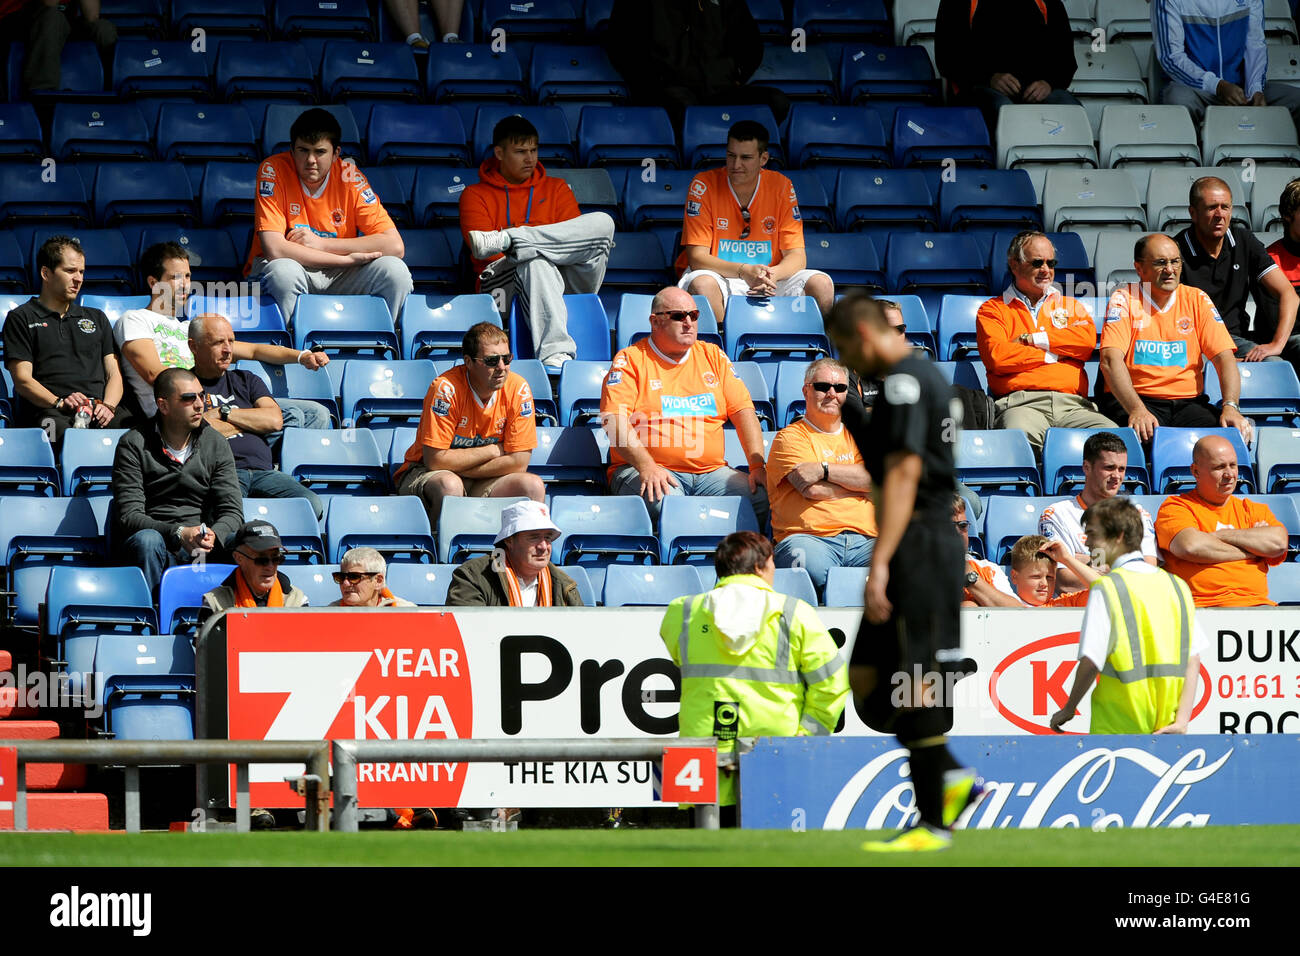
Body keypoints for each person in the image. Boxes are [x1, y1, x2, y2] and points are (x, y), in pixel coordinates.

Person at [824, 294, 984, 852]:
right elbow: (891, 456)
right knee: (871, 677)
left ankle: (935, 820)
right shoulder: (922, 380)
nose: (851, 364)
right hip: (926, 539)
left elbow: (904, 473)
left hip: (919, 539)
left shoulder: (902, 381)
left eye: (848, 350)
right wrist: (855, 419)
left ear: (864, 336)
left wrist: (882, 561)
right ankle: (949, 773)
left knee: (912, 679)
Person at [658, 530, 848, 818]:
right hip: (775, 750)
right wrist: (807, 736)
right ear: (761, 566)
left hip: (695, 754)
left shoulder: (682, 611)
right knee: (770, 855)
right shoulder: (795, 613)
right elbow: (833, 681)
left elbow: (679, 657)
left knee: (697, 855)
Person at [600, 286, 769, 525]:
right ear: (655, 322)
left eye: (694, 315)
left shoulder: (713, 355)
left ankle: (741, 560)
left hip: (711, 473)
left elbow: (744, 412)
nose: (688, 322)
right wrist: (646, 465)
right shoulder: (631, 359)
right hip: (643, 468)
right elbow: (613, 422)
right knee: (671, 505)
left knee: (760, 498)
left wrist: (756, 465)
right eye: (678, 316)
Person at [118, 241, 332, 428]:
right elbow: (155, 375)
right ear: (154, 282)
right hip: (179, 412)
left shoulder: (188, 328)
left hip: (217, 400)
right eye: (176, 277)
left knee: (316, 413)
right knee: (290, 416)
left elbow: (254, 349)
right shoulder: (135, 319)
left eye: (188, 276)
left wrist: (301, 356)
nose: (185, 284)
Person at [460, 115, 615, 369]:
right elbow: (486, 257)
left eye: (533, 150)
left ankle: (510, 239)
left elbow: (576, 245)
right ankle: (555, 354)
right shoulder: (474, 195)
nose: (530, 158)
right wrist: (542, 249)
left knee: (604, 223)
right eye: (520, 151)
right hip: (501, 284)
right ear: (499, 153)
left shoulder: (557, 188)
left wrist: (514, 239)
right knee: (536, 262)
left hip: (564, 279)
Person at [1050, 496, 1207, 734]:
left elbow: (1092, 660)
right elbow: (1193, 659)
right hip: (1167, 728)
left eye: (1092, 534)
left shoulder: (1108, 587)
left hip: (1116, 729)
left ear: (1119, 537)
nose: (1087, 543)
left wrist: (1069, 708)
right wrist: (1182, 721)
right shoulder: (1177, 586)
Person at [246, 107, 413, 326]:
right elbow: (275, 249)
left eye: (320, 151)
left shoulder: (350, 176)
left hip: (341, 273)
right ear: (291, 150)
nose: (311, 160)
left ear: (336, 153)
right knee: (283, 271)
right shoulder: (273, 169)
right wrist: (345, 258)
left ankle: (377, 346)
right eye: (303, 150)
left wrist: (322, 244)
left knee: (394, 270)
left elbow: (394, 245)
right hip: (292, 269)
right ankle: (286, 351)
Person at [676, 119, 834, 325]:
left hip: (769, 278)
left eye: (746, 158)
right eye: (731, 155)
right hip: (720, 277)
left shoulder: (782, 186)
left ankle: (822, 349)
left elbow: (797, 256)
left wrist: (772, 275)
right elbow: (697, 257)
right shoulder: (703, 184)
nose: (736, 165)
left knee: (821, 283)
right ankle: (722, 348)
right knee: (703, 283)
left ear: (763, 158)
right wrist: (744, 271)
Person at [1096, 233, 1251, 442]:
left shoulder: (1197, 299)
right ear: (1139, 268)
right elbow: (1109, 360)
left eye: (1175, 261)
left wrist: (1231, 406)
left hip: (1188, 403)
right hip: (1138, 400)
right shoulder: (1124, 299)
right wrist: (1137, 409)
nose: (1170, 270)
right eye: (1161, 263)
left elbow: (1224, 358)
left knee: (1226, 440)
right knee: (1141, 437)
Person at [976, 231, 1114, 452]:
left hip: (1074, 407)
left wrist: (1033, 340)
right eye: (1037, 262)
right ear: (1014, 265)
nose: (1046, 270)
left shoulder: (1071, 306)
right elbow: (998, 357)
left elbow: (1086, 344)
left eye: (1051, 263)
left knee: (1113, 442)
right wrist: (1056, 354)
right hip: (1021, 405)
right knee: (1016, 440)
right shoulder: (993, 309)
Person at [395, 321, 544, 526]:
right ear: (469, 362)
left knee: (533, 486)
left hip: (484, 478)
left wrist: (462, 467)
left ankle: (526, 552)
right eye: (492, 361)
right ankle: (444, 550)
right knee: (450, 484)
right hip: (425, 473)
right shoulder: (447, 389)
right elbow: (435, 461)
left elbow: (519, 462)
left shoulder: (518, 388)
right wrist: (493, 450)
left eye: (507, 358)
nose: (501, 368)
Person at [111, 367, 244, 594]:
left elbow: (232, 511)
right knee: (148, 541)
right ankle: (154, 617)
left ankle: (230, 617)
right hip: (156, 543)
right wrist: (179, 533)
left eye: (201, 396)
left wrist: (214, 534)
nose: (200, 404)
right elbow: (129, 516)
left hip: (200, 548)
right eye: (188, 398)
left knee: (248, 540)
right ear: (163, 406)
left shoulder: (215, 442)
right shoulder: (133, 444)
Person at [187, 314, 323, 520]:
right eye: (218, 343)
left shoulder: (247, 380)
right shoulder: (185, 384)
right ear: (194, 346)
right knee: (229, 517)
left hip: (264, 472)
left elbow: (274, 421)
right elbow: (196, 430)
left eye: (231, 341)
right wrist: (252, 423)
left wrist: (224, 413)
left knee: (311, 506)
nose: (227, 350)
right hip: (222, 473)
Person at [766, 358, 876, 598]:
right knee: (809, 568)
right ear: (806, 390)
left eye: (840, 388)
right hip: (810, 539)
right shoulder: (790, 438)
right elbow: (811, 490)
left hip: (867, 539)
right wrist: (860, 489)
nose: (831, 394)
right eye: (822, 386)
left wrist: (824, 470)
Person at [3, 234, 129, 439]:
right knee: (60, 434)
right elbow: (22, 381)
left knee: (138, 436)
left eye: (81, 272)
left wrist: (108, 406)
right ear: (46, 273)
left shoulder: (97, 318)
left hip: (99, 409)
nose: (78, 278)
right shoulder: (21, 317)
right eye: (70, 271)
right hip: (50, 412)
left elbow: (114, 374)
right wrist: (59, 402)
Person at [604, 0, 789, 134]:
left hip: (720, 90)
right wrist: (651, 83)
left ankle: (747, 167)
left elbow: (751, 43)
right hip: (669, 91)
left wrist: (736, 75)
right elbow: (619, 46)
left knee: (775, 101)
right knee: (684, 106)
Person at [1176, 177, 1300, 369]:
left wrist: (1277, 345)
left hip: (1235, 341)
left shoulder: (1243, 240)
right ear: (1193, 213)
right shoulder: (1175, 250)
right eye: (1211, 208)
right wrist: (1224, 363)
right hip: (1192, 341)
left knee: (1273, 365)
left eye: (1225, 207)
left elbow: (1288, 294)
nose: (1219, 214)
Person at [1155, 434, 1287, 607]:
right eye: (1219, 467)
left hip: (1257, 606)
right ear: (1195, 471)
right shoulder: (1176, 507)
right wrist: (1253, 550)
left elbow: (1279, 543)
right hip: (1202, 608)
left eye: (1233, 465)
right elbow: (1191, 546)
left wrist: (1219, 535)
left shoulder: (1253, 509)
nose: (1230, 474)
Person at [935, 0, 1080, 133]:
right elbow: (946, 56)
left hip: (1038, 93)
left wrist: (1048, 83)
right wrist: (989, 78)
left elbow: (1066, 58)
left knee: (1071, 110)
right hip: (978, 89)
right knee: (1004, 110)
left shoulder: (1048, 2)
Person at [1039, 432, 1158, 591]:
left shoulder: (1137, 513)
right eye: (1109, 468)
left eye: (1121, 469)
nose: (1117, 476)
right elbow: (1065, 582)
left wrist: (1080, 561)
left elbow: (1146, 573)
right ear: (1087, 467)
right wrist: (1122, 563)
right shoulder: (1056, 514)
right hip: (1077, 610)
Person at [1154, 0, 1300, 129]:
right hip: (1196, 90)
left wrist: (1255, 89)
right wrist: (1218, 86)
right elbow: (1171, 58)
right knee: (1178, 99)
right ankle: (1196, 155)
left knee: (1296, 99)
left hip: (1240, 89)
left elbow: (1255, 46)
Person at [445, 499, 584, 607]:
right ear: (509, 541)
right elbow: (468, 633)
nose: (543, 546)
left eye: (547, 538)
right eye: (534, 537)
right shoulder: (473, 576)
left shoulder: (565, 586)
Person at [0, 0, 115, 95]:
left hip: (61, 20)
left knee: (103, 29)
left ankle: (112, 93)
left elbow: (92, 16)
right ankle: (43, 94)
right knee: (52, 18)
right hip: (17, 19)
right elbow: (49, 3)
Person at [201, 521, 308, 612]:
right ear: (238, 558)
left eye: (276, 559)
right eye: (262, 560)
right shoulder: (216, 603)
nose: (270, 567)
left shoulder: (296, 600)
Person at [955, 494, 1021, 608]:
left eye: (963, 525)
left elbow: (1017, 613)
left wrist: (970, 578)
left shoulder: (988, 569)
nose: (958, 533)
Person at [1006, 535, 1090, 607]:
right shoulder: (1002, 605)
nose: (1044, 584)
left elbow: (1101, 588)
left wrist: (1066, 559)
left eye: (1049, 577)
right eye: (1036, 577)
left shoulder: (1064, 604)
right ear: (1014, 577)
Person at [330, 547, 417, 607]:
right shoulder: (328, 617)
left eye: (354, 577)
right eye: (340, 577)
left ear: (378, 581)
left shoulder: (407, 613)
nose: (345, 583)